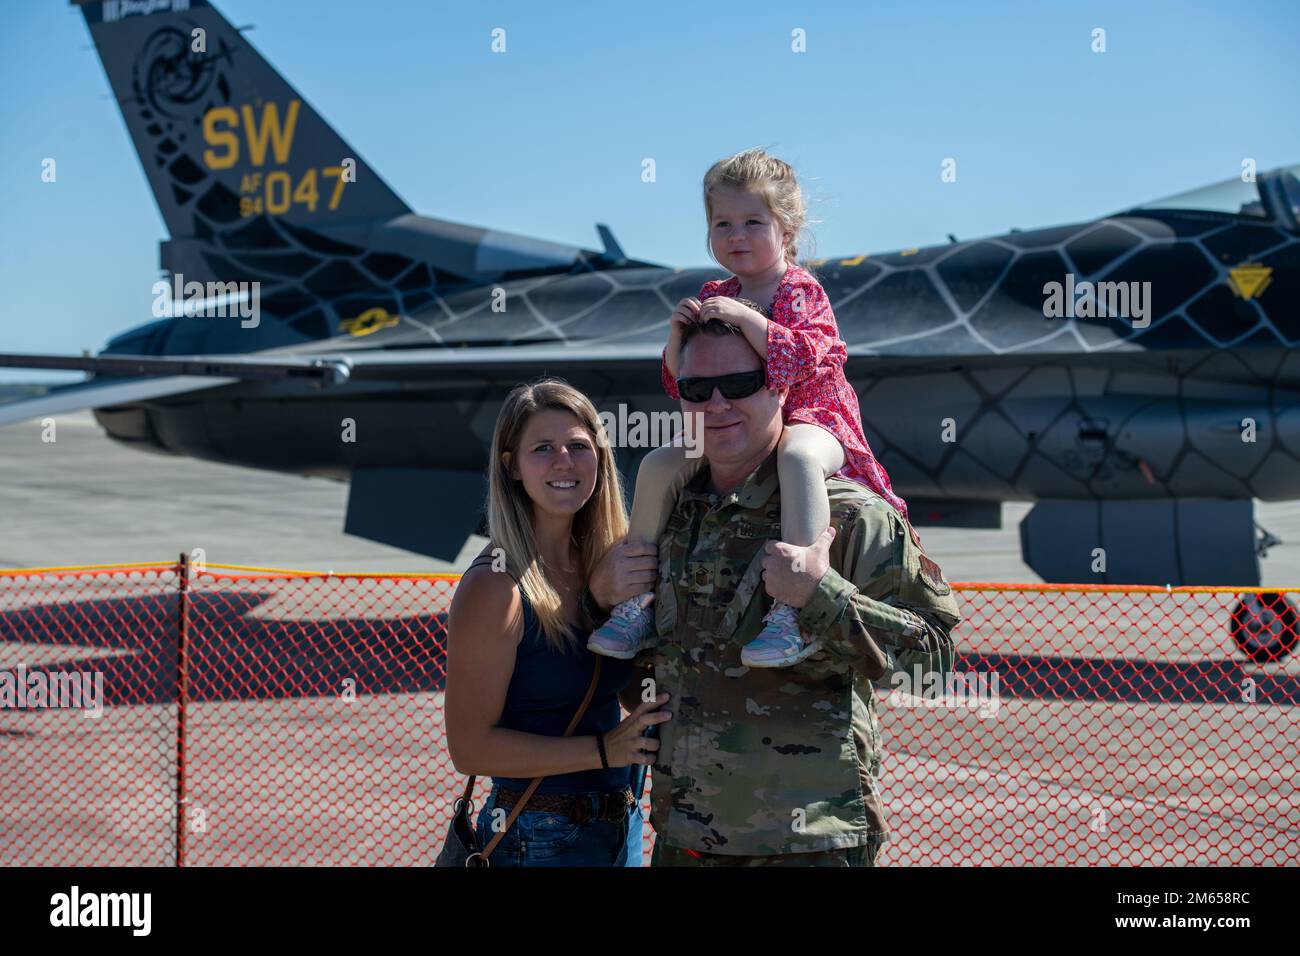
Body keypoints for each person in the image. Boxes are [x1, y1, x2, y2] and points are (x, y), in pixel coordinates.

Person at [582, 319, 961, 866]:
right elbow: (638, 667)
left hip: (809, 846)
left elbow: (933, 669)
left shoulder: (850, 517)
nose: (717, 405)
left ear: (781, 385)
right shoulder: (666, 515)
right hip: (685, 838)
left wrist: (822, 594)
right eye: (697, 389)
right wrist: (599, 598)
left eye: (739, 384)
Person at [588, 146, 906, 669]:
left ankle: (792, 608)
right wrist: (675, 334)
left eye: (753, 221)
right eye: (723, 223)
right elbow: (678, 377)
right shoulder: (716, 292)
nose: (736, 235)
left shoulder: (800, 289)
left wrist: (748, 320)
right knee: (657, 463)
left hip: (815, 416)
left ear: (787, 228)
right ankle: (634, 602)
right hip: (737, 425)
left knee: (799, 460)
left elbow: (809, 357)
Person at [445, 378, 672, 866]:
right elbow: (469, 749)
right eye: (543, 448)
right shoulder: (495, 587)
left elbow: (630, 692)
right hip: (536, 836)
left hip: (622, 825)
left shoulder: (605, 565)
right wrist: (605, 749)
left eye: (578, 446)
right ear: (512, 467)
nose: (564, 462)